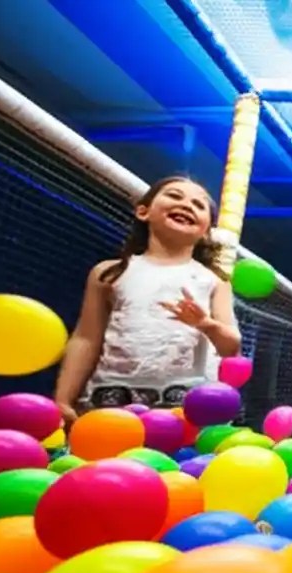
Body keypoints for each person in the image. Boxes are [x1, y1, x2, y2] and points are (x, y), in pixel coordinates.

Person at [54, 176, 240, 425]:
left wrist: (205, 324)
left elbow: (231, 348)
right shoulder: (111, 272)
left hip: (187, 407)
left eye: (198, 205)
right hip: (112, 398)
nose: (186, 205)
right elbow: (87, 337)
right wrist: (63, 399)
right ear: (143, 211)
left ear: (206, 232)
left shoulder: (213, 281)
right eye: (174, 196)